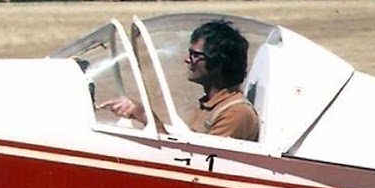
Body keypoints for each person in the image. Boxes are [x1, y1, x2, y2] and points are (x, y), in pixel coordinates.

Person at [97, 19, 260, 140]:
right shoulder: (210, 105)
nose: (187, 60)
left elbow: (197, 168)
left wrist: (145, 115)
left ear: (218, 62)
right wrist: (143, 115)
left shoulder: (235, 113)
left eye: (195, 55)